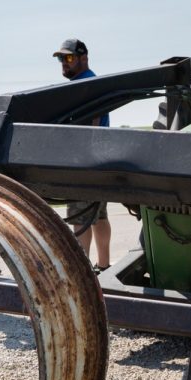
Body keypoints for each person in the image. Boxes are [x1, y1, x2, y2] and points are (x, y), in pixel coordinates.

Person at [53, 38, 111, 272]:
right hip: (100, 160)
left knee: (81, 218)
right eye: (61, 58)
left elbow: (92, 122)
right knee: (99, 216)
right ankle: (104, 265)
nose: (64, 63)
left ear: (83, 58)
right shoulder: (92, 80)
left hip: (84, 161)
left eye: (69, 58)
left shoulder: (82, 85)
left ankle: (82, 272)